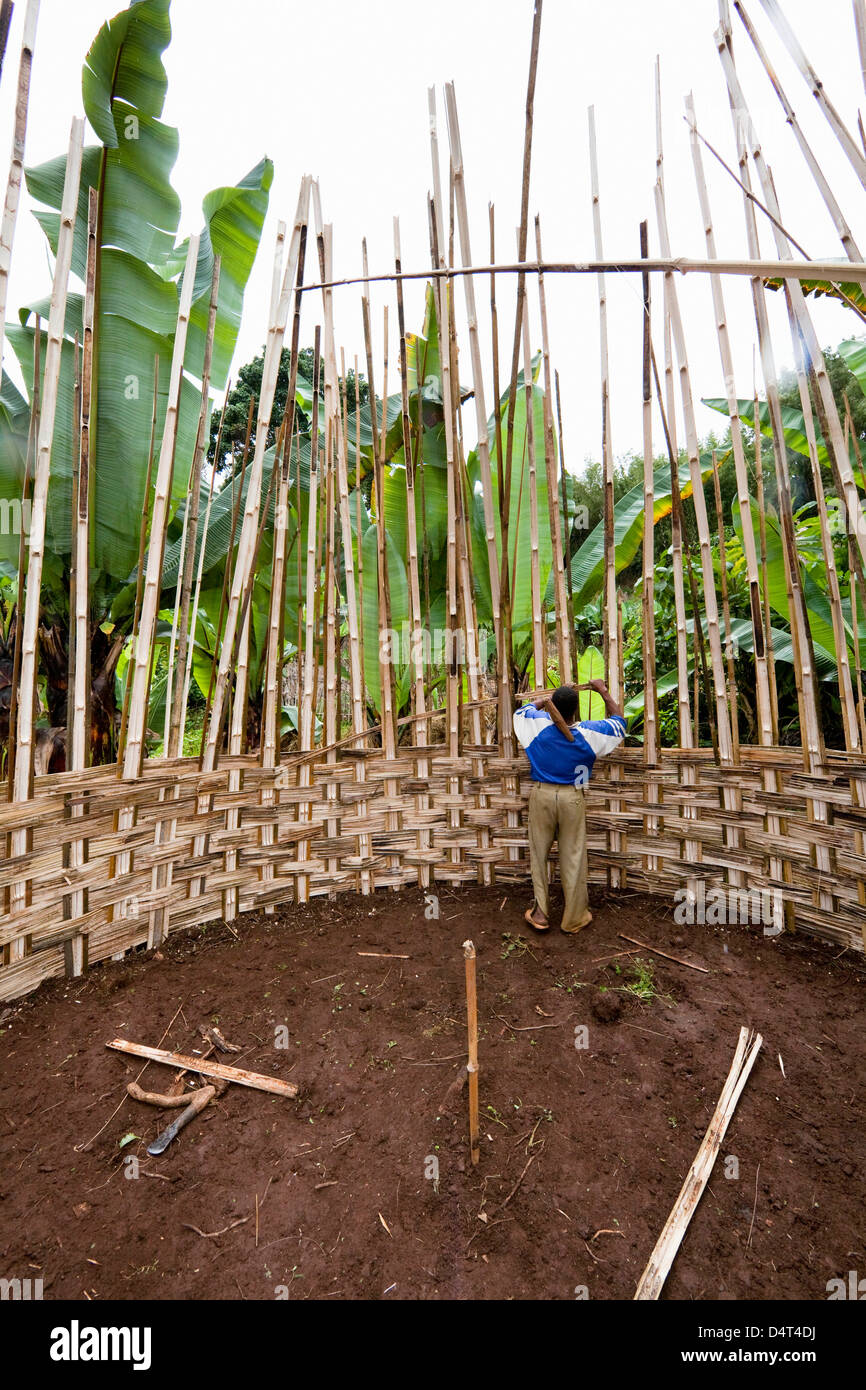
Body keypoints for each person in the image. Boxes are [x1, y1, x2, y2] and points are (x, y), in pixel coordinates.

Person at [512, 678, 626, 934]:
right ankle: (573, 918)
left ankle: (540, 913)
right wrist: (602, 690)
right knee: (573, 857)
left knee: (539, 856)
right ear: (575, 710)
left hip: (541, 795)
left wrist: (545, 700)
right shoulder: (590, 733)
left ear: (553, 707)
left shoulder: (536, 726)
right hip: (573, 798)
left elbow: (523, 710)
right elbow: (619, 722)